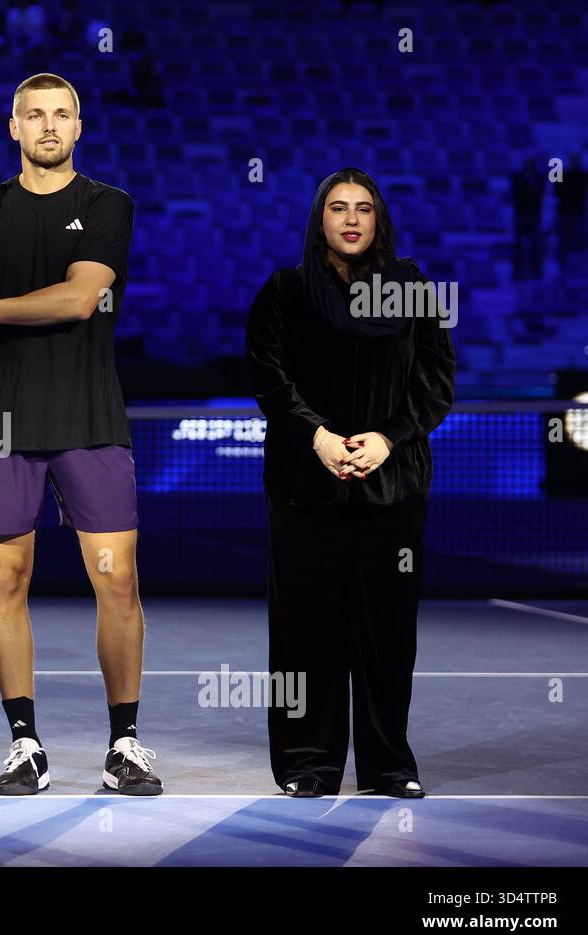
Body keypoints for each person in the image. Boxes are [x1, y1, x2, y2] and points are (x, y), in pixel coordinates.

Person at [0, 73, 159, 796]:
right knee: (4, 581)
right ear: (12, 128)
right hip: (0, 422)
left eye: (62, 115)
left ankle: (125, 743)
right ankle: (24, 743)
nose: (49, 126)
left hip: (88, 416)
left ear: (79, 128)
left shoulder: (108, 205)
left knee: (118, 583)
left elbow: (81, 298)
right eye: (34, 115)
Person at [246, 168, 455, 798]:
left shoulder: (414, 287)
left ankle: (390, 765)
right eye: (338, 208)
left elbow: (436, 382)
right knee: (306, 627)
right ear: (321, 219)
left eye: (364, 208)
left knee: (387, 630)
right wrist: (320, 438)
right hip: (305, 488)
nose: (352, 218)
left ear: (379, 219)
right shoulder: (284, 291)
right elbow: (268, 377)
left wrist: (387, 439)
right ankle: (307, 763)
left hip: (393, 488)